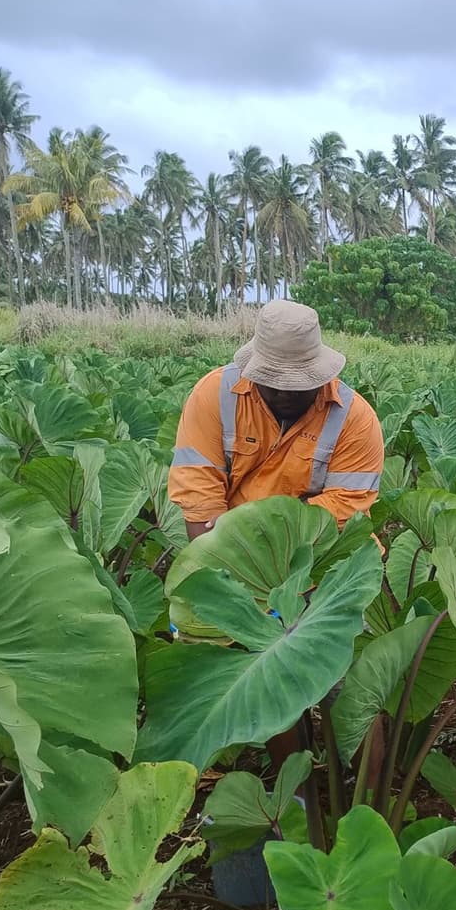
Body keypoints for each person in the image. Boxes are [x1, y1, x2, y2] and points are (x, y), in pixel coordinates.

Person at [167, 299, 385, 772]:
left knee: (352, 686)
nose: (285, 392)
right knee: (264, 666)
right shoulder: (214, 396)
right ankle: (297, 794)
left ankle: (366, 793)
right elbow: (199, 502)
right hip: (240, 565)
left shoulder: (355, 418)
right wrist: (247, 581)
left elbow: (345, 514)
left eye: (298, 383)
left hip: (326, 566)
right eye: (274, 381)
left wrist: (258, 535)